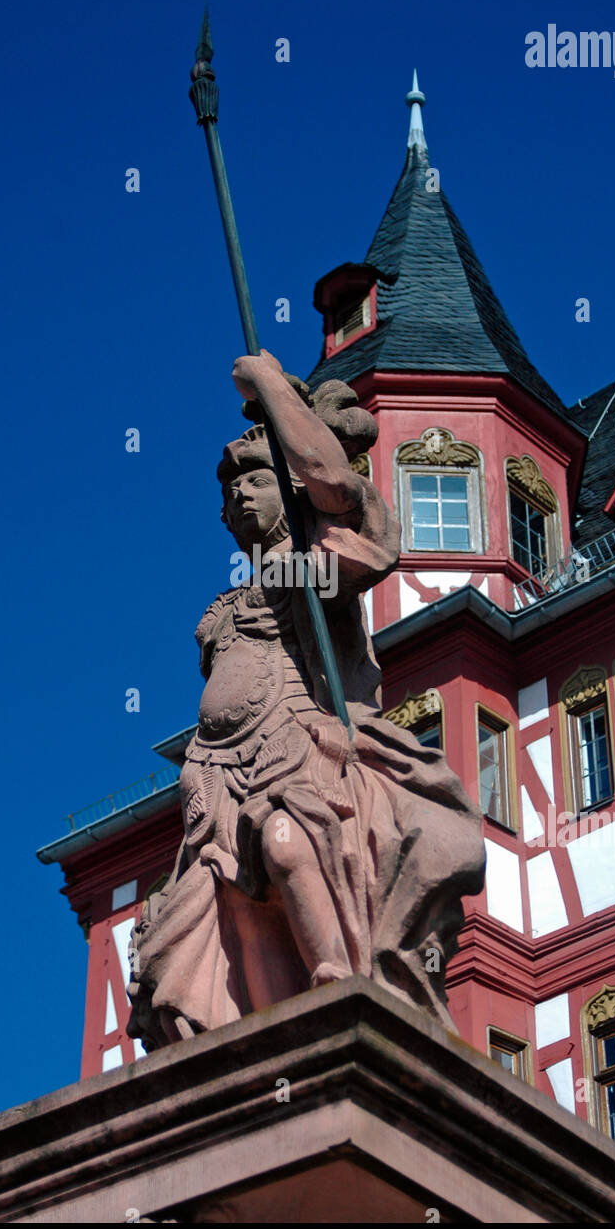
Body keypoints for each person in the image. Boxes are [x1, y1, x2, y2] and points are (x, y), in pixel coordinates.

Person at [126, 350, 485, 1049]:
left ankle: (334, 981)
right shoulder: (224, 605)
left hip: (297, 744)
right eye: (231, 488)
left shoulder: (314, 569)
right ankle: (270, 1036)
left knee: (288, 845)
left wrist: (267, 387)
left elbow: (335, 488)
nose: (239, 497)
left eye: (258, 481)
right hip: (215, 772)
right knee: (234, 900)